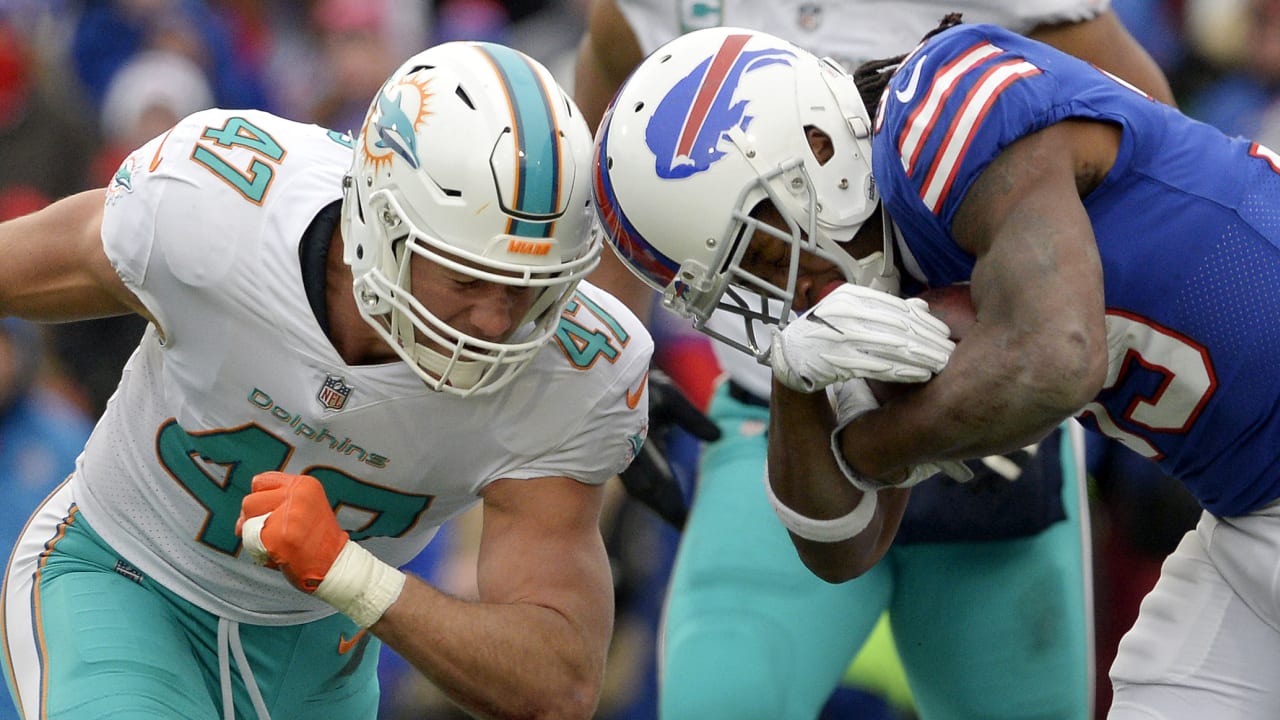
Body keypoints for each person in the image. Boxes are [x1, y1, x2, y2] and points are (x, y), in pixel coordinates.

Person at [602, 18, 1280, 720]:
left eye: (771, 255)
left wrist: (871, 447)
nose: (789, 293)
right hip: (1249, 510)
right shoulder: (874, 268)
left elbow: (1055, 360)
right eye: (747, 283)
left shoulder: (947, 110)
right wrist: (795, 377)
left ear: (817, 147)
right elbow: (842, 547)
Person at [0, 39, 651, 720]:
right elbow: (28, 263)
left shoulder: (573, 372)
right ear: (383, 221)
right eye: (467, 277)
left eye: (529, 290)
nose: (493, 319)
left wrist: (350, 574)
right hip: (123, 576)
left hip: (318, 652)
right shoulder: (220, 210)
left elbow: (558, 683)